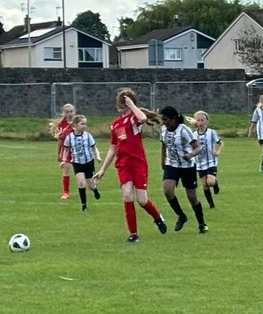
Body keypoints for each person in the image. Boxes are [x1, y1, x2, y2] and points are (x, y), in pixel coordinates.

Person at [93, 87, 168, 242]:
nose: (120, 106)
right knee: (127, 194)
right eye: (120, 103)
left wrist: (132, 105)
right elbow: (113, 148)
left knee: (142, 200)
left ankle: (157, 217)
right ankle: (133, 234)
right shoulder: (115, 124)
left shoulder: (134, 119)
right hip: (123, 164)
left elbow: (141, 119)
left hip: (138, 164)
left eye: (123, 103)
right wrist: (102, 170)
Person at [158, 105, 207, 234]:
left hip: (187, 166)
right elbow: (163, 145)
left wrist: (190, 155)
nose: (164, 122)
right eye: (162, 119)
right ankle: (181, 216)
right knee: (168, 191)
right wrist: (162, 161)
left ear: (173, 119)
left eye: (166, 119)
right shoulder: (164, 130)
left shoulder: (184, 130)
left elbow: (198, 147)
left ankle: (202, 224)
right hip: (172, 165)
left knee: (192, 197)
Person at [63, 114, 101, 211]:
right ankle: (84, 205)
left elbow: (94, 148)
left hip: (88, 162)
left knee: (91, 185)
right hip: (77, 163)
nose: (84, 126)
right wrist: (64, 160)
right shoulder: (69, 137)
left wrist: (98, 156)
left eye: (85, 124)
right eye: (82, 124)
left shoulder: (88, 136)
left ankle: (95, 190)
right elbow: (66, 150)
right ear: (75, 125)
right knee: (81, 183)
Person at [192, 110, 223, 209]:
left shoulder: (211, 132)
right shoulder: (193, 135)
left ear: (206, 121)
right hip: (199, 163)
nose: (200, 122)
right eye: (198, 120)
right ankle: (211, 205)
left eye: (202, 120)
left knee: (210, 182)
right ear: (195, 122)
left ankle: (215, 183)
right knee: (205, 185)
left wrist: (217, 152)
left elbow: (221, 143)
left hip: (211, 161)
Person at [49, 102, 76, 199]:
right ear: (64, 113)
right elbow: (60, 140)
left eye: (71, 111)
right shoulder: (62, 125)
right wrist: (59, 154)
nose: (70, 113)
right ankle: (66, 193)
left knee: (83, 172)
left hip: (78, 150)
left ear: (74, 112)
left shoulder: (78, 122)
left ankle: (91, 186)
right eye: (67, 112)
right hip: (67, 151)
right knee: (66, 170)